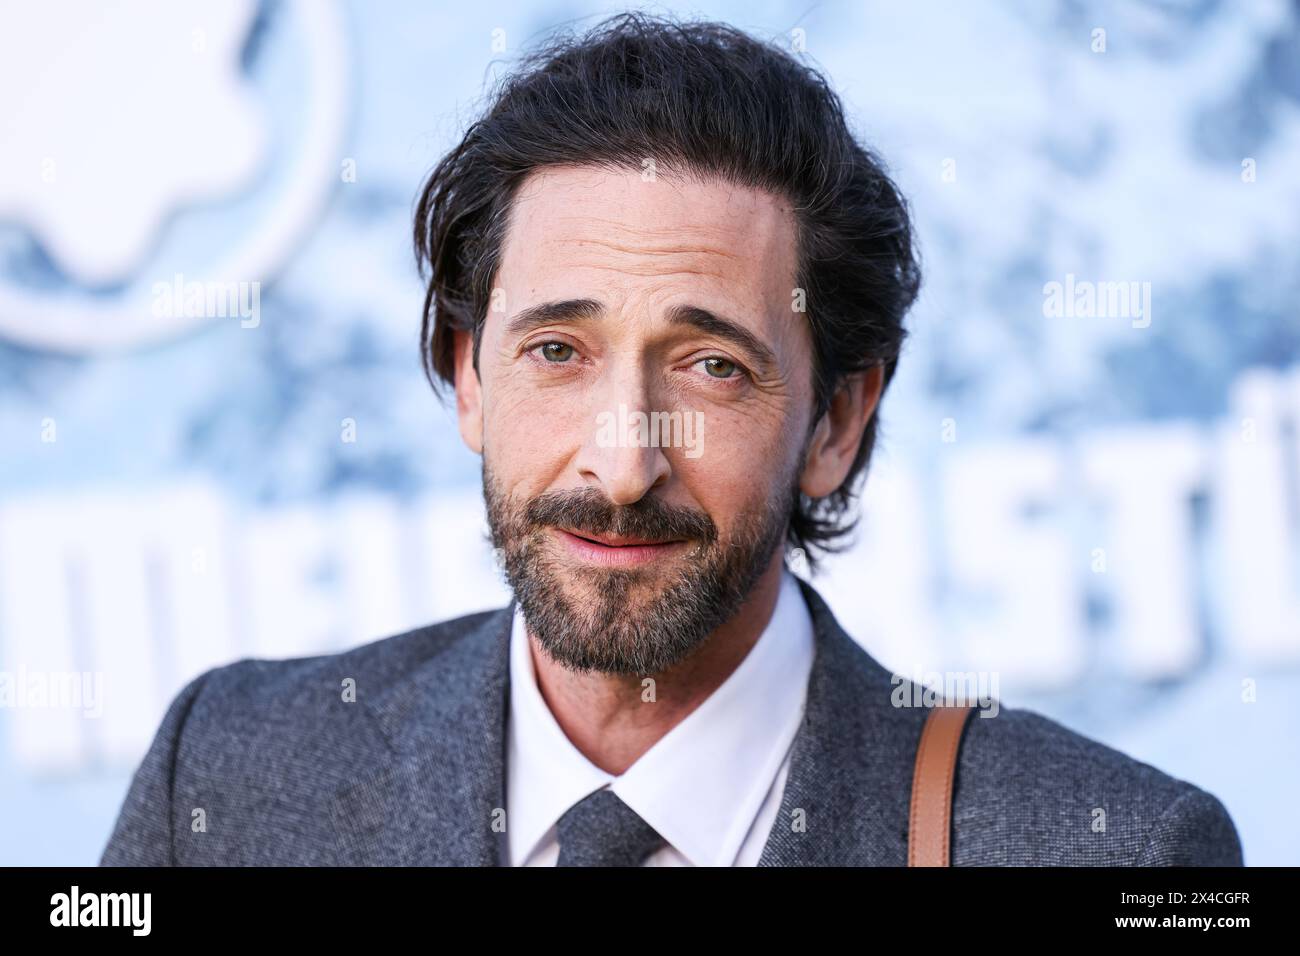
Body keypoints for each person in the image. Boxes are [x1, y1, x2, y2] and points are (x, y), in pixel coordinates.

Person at [100, 12, 1242, 867]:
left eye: (711, 366)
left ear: (835, 421)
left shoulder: (1118, 850)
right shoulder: (230, 780)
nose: (622, 461)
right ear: (468, 378)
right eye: (557, 350)